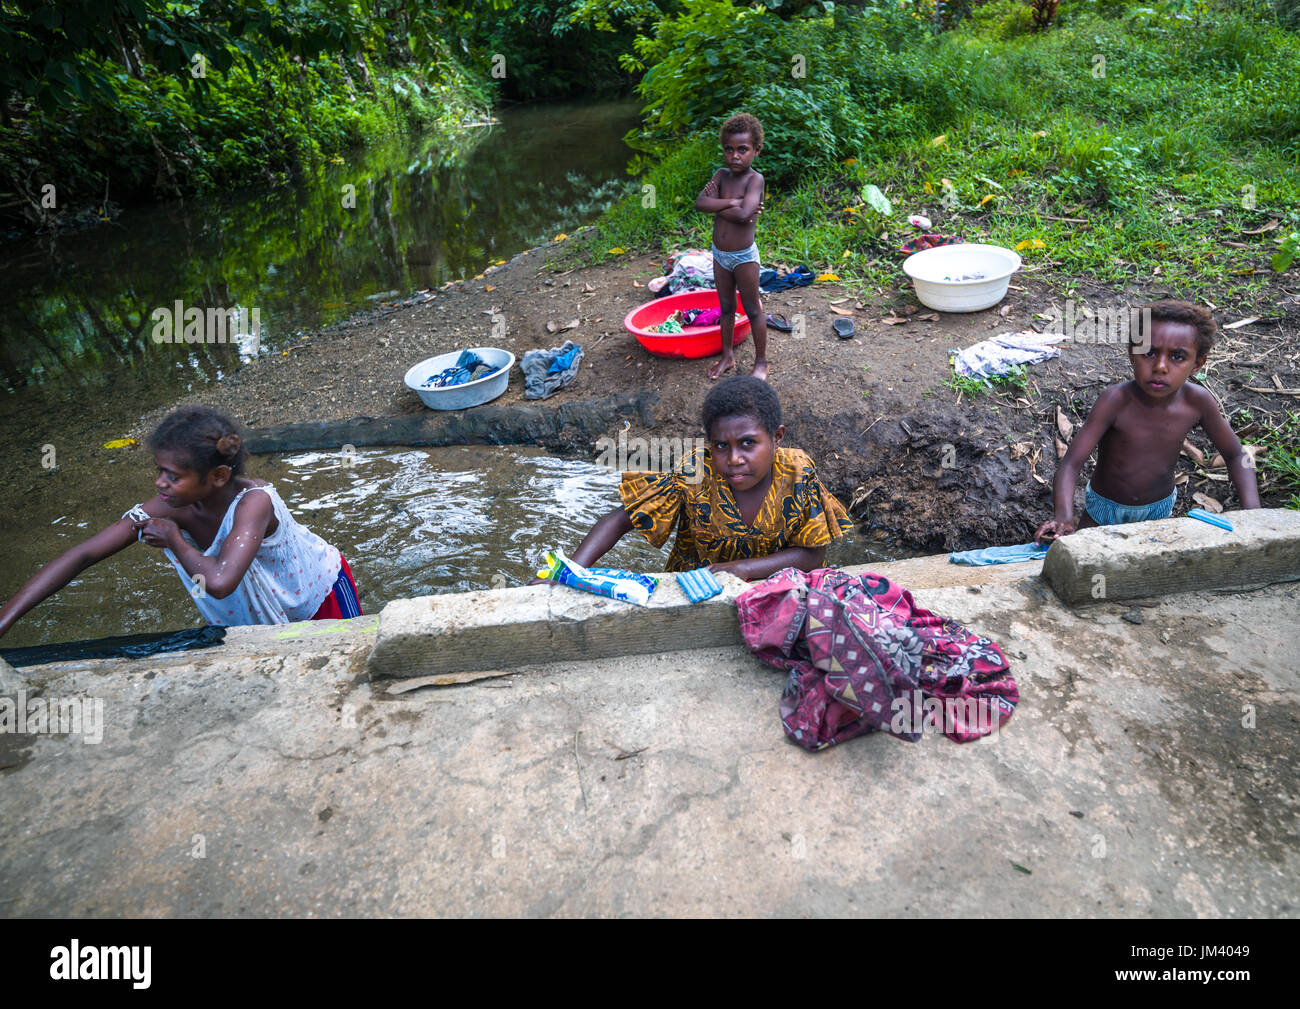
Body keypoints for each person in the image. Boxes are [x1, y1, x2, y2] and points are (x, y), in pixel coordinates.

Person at [0, 406, 361, 639]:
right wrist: (7, 617)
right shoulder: (169, 506)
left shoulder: (254, 504)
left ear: (218, 476)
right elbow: (83, 555)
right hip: (266, 610)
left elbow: (219, 581)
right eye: (159, 472)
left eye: (172, 476)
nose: (160, 484)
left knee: (344, 661)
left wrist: (175, 539)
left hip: (320, 595)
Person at [568, 376, 852, 581]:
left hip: (776, 589)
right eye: (721, 446)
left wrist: (743, 569)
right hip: (696, 590)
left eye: (748, 443)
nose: (734, 459)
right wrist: (569, 573)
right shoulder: (695, 472)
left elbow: (812, 555)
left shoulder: (797, 473)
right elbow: (618, 521)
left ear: (777, 438)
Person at [1034, 300, 1260, 543]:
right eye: (1149, 353)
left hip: (1158, 512)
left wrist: (1254, 513)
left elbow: (1237, 455)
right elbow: (1071, 464)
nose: (1160, 367)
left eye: (1177, 357)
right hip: (1104, 511)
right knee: (1086, 562)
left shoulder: (1197, 402)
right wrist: (1064, 516)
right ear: (1133, 354)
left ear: (1197, 364)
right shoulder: (1115, 401)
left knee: (1147, 574)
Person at [694, 113, 769, 382]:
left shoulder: (754, 180)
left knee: (752, 308)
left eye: (742, 150)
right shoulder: (721, 175)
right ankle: (727, 355)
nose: (734, 155)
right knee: (726, 306)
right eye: (729, 149)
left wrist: (723, 205)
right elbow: (700, 203)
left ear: (756, 150)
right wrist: (733, 203)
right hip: (720, 255)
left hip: (743, 257)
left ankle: (761, 363)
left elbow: (744, 215)